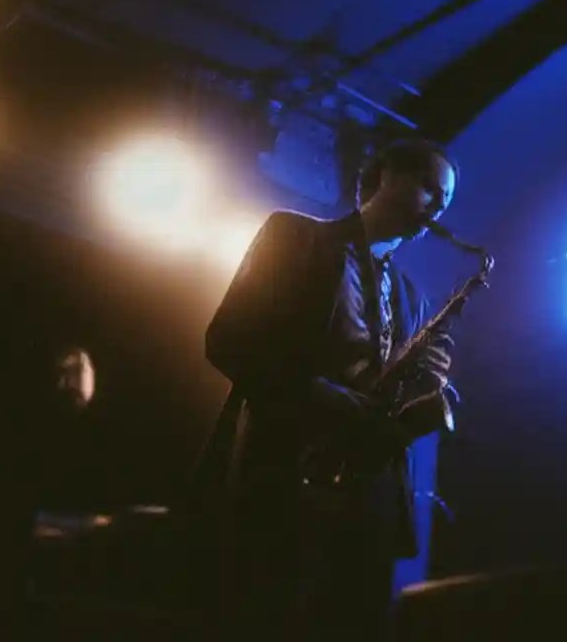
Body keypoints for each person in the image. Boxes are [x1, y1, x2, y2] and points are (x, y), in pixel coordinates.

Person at [194, 139, 461, 640]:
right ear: (385, 175)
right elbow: (226, 339)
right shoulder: (294, 236)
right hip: (285, 470)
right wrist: (321, 393)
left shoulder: (413, 296)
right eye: (430, 188)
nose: (439, 207)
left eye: (445, 200)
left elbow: (396, 392)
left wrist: (428, 386)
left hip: (368, 495)